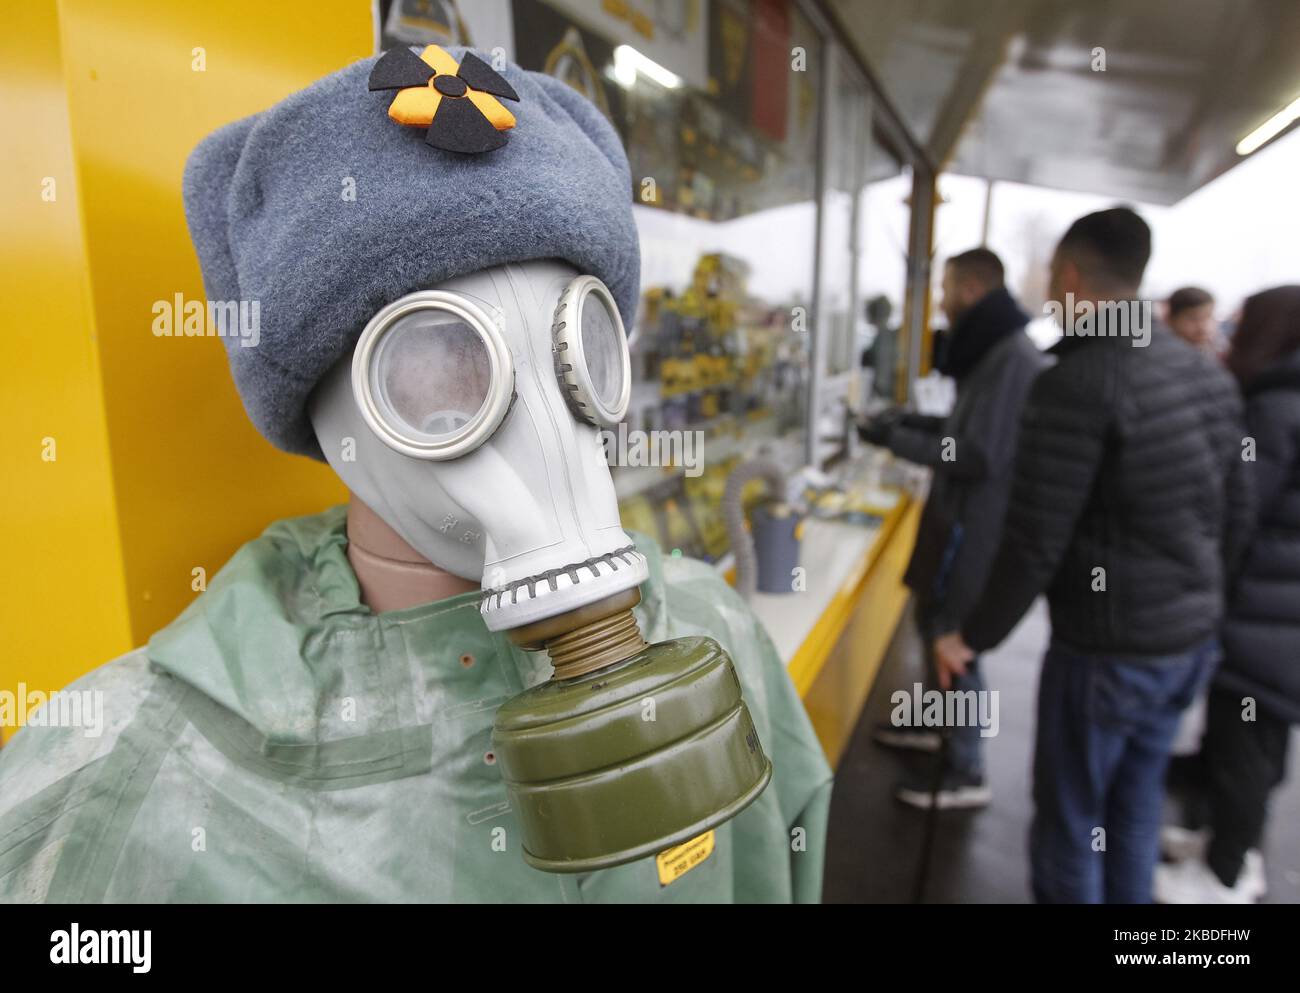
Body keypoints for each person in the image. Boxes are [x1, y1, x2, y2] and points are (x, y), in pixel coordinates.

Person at [0, 47, 832, 903]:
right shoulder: (125, 777)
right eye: (441, 356)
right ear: (328, 410)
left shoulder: (722, 629)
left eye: (577, 347)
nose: (542, 426)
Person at [934, 207, 1253, 903]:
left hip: (1107, 653)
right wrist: (1206, 611)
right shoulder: (1202, 373)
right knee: (1134, 807)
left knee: (1072, 821)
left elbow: (1033, 540)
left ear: (1073, 275)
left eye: (1052, 274)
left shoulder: (1077, 382)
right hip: (1184, 644)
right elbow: (1236, 510)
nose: (1048, 290)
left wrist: (970, 636)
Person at [858, 248, 1048, 808]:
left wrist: (897, 441)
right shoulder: (992, 353)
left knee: (955, 642)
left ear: (970, 289)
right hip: (956, 521)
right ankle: (937, 727)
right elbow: (960, 427)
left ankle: (966, 770)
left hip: (974, 528)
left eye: (944, 289)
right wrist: (906, 422)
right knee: (932, 623)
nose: (939, 301)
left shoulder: (1011, 358)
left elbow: (976, 452)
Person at [1156, 285, 1300, 903]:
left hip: (1262, 617)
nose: (1230, 337)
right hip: (1280, 618)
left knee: (1243, 744)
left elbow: (1242, 511)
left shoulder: (1275, 408)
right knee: (1258, 745)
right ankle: (1227, 848)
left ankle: (1223, 876)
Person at [1165, 285, 1221, 355]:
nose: (1203, 327)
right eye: (1194, 319)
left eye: (1208, 317)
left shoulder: (1218, 352)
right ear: (1171, 319)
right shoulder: (1163, 354)